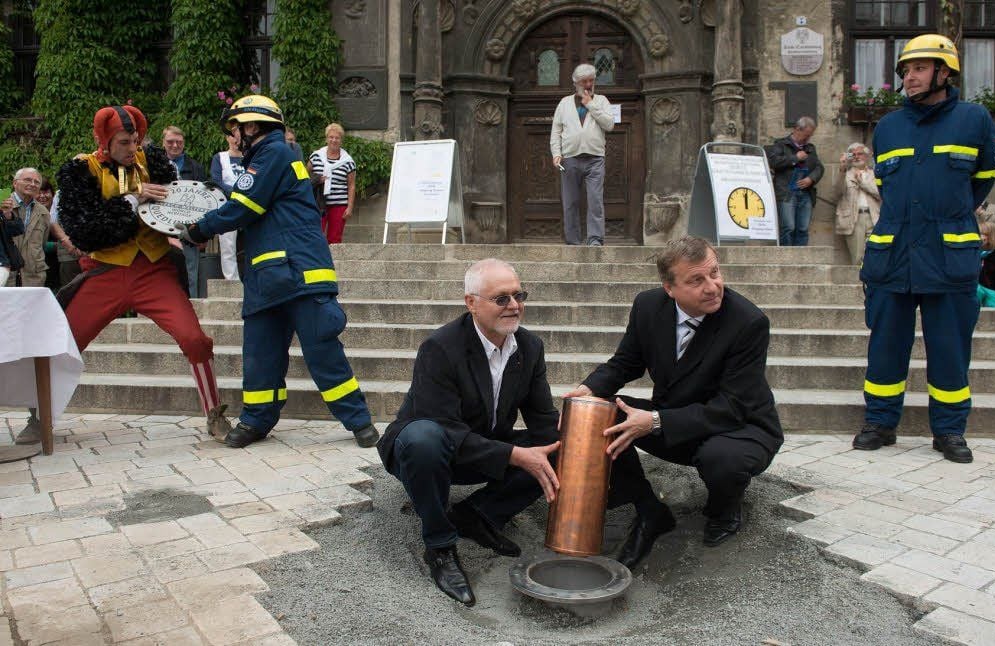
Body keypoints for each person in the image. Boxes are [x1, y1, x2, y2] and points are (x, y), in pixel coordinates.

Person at [563, 236, 782, 568]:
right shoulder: (648, 306)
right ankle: (648, 508)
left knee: (720, 458)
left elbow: (733, 406)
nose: (712, 286)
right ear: (670, 288)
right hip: (677, 419)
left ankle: (724, 511)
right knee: (601, 413)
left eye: (715, 273)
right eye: (696, 280)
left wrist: (654, 421)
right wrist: (588, 389)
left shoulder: (748, 322)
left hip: (740, 428)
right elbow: (626, 363)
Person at [177, 95, 379, 450]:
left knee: (322, 351)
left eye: (237, 128)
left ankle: (359, 421)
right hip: (267, 277)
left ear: (253, 126)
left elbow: (244, 206)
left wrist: (198, 229)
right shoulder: (268, 158)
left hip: (299, 274)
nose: (234, 136)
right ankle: (256, 420)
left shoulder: (273, 153)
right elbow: (249, 201)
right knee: (260, 355)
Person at [23, 105, 233, 445]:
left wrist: (192, 224)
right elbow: (86, 230)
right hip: (105, 272)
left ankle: (214, 413)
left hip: (154, 271)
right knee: (62, 344)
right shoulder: (83, 169)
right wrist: (134, 199)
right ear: (103, 140)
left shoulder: (153, 162)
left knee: (194, 339)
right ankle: (38, 416)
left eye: (135, 140)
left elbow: (177, 206)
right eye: (123, 142)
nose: (132, 148)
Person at [377, 259, 560, 606]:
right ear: (471, 303)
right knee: (424, 439)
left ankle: (477, 516)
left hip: (482, 447)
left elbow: (542, 419)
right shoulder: (440, 347)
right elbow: (444, 427)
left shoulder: (530, 347)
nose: (514, 305)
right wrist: (514, 455)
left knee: (558, 447)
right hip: (425, 452)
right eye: (501, 298)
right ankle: (440, 546)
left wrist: (569, 449)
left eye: (519, 295)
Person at [853, 34, 995, 464]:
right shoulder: (888, 127)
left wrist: (948, 215)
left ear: (944, 72)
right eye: (905, 70)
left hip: (948, 256)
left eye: (918, 68)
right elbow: (886, 184)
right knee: (885, 347)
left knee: (950, 349)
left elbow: (983, 180)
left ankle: (949, 430)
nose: (909, 77)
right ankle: (880, 422)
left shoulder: (975, 120)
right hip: (892, 255)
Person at [550, 63, 615, 247]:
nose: (588, 85)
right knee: (570, 201)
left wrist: (591, 105)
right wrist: (556, 153)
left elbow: (609, 125)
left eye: (591, 81)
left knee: (595, 200)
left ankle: (595, 239)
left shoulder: (601, 101)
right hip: (570, 158)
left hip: (595, 158)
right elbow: (556, 131)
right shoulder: (564, 103)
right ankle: (573, 240)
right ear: (576, 83)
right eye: (584, 81)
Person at [163, 125, 207, 297]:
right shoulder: (151, 165)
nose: (175, 145)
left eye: (179, 142)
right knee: (161, 275)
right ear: (163, 142)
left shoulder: (195, 167)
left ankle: (191, 307)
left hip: (188, 230)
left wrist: (202, 233)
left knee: (190, 274)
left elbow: (204, 202)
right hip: (160, 230)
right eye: (170, 141)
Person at [767, 117, 824, 246]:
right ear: (797, 129)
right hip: (786, 193)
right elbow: (773, 162)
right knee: (788, 227)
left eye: (810, 135)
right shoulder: (781, 144)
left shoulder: (810, 148)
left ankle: (801, 257)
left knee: (803, 229)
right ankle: (786, 257)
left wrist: (811, 178)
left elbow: (819, 167)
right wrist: (795, 158)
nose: (808, 138)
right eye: (806, 135)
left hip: (805, 193)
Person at [308, 123, 356, 245]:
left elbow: (351, 185)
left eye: (337, 138)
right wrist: (317, 180)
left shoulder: (348, 161)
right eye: (331, 137)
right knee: (315, 236)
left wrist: (350, 207)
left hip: (339, 205)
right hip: (318, 204)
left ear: (341, 140)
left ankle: (334, 258)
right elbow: (305, 176)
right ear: (326, 138)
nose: (334, 140)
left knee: (334, 239)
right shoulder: (315, 156)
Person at [2, 168, 50, 288]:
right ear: (15, 183)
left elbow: (42, 243)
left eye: (36, 182)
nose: (32, 184)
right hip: (6, 275)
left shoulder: (43, 212)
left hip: (34, 277)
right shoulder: (2, 204)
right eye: (28, 180)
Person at [835, 142, 881, 266]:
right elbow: (838, 192)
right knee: (857, 257)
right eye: (853, 155)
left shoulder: (875, 174)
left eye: (860, 154)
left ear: (866, 156)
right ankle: (857, 279)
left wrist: (862, 183)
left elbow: (880, 194)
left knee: (875, 255)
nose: (856, 157)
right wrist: (842, 169)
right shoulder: (845, 174)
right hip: (854, 219)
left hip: (874, 217)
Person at [210, 128, 245, 281]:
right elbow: (216, 181)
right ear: (227, 138)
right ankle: (232, 280)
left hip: (250, 205)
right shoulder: (219, 157)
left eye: (239, 136)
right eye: (233, 136)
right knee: (228, 245)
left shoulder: (251, 157)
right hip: (227, 205)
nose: (236, 139)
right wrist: (236, 193)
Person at [978, 220, 995, 307]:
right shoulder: (974, 253)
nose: (980, 237)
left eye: (984, 234)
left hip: (992, 290)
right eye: (979, 234)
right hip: (977, 288)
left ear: (991, 237)